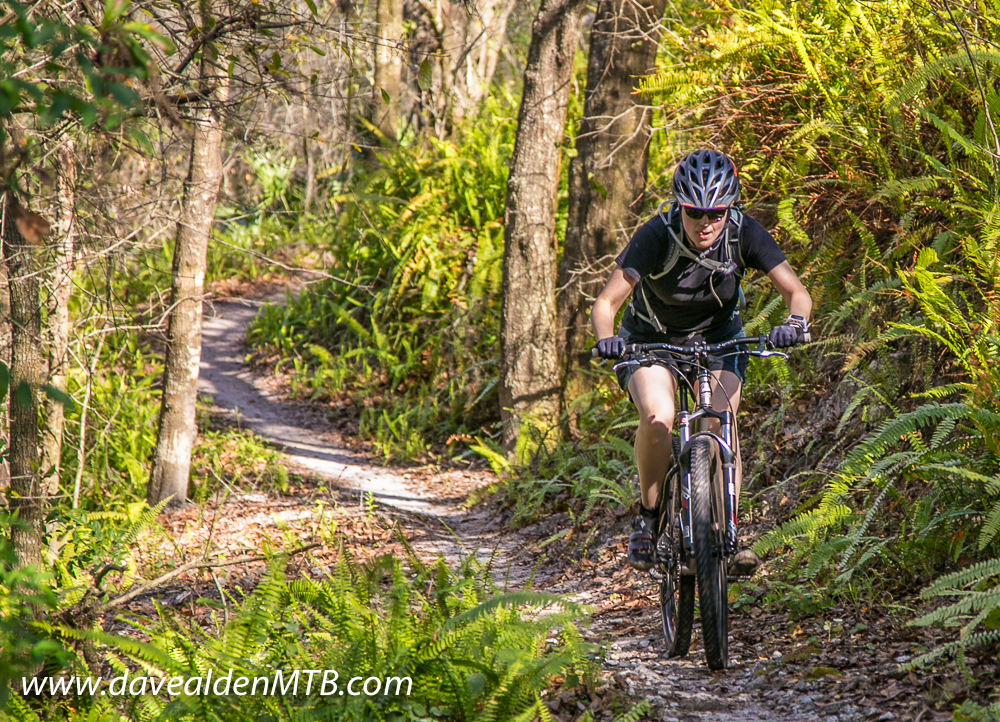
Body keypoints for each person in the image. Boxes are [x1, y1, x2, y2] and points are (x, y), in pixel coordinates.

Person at [590, 149, 812, 574]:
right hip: (650, 340)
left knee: (720, 420)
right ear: (679, 206)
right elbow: (606, 304)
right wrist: (608, 340)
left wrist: (795, 322)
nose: (706, 223)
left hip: (719, 340)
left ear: (731, 208)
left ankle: (725, 533)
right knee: (659, 418)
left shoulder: (744, 233)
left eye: (716, 213)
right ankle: (650, 517)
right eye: (695, 213)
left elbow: (796, 292)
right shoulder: (657, 235)